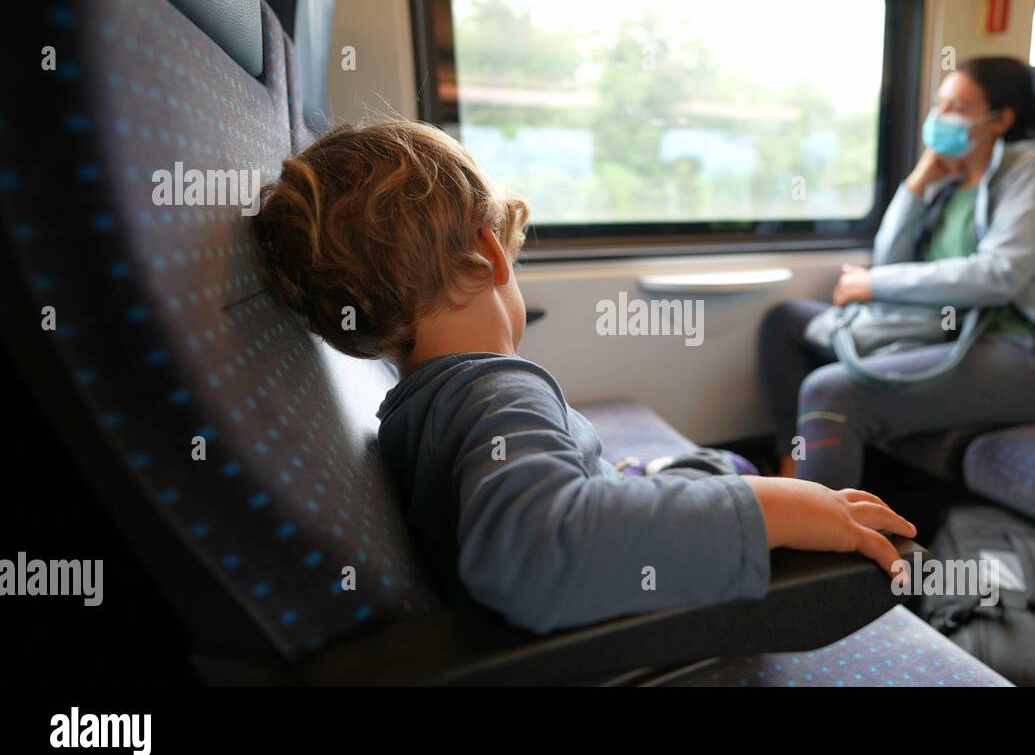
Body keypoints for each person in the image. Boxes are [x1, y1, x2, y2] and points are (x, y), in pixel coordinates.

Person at [249, 118, 915, 634]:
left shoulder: (418, 405)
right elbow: (537, 552)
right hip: (630, 644)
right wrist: (779, 508)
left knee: (722, 465)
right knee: (761, 486)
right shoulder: (497, 392)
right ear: (488, 252)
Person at [760, 57, 1035, 487]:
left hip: (1028, 355)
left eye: (957, 108)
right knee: (784, 322)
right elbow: (890, 261)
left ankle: (824, 540)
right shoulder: (950, 184)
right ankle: (792, 472)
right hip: (941, 334)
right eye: (939, 104)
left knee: (832, 391)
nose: (939, 118)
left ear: (1000, 119)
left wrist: (873, 284)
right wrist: (917, 182)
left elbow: (998, 276)